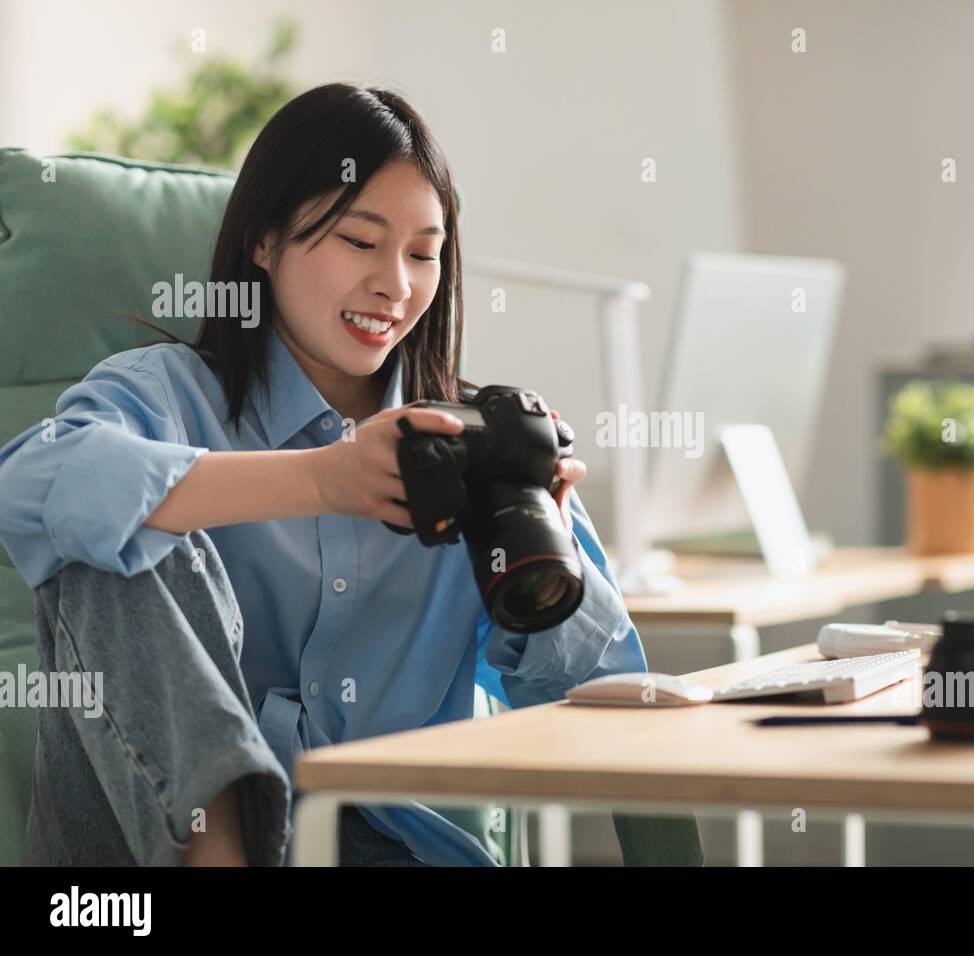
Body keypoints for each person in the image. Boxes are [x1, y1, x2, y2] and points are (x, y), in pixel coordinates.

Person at [0, 83, 648, 866]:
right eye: (359, 240)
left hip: (388, 847)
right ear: (264, 240)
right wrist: (323, 477)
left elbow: (602, 708)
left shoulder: (472, 443)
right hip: (139, 864)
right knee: (117, 531)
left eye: (422, 253)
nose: (395, 286)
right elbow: (28, 486)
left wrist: (541, 559)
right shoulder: (163, 393)